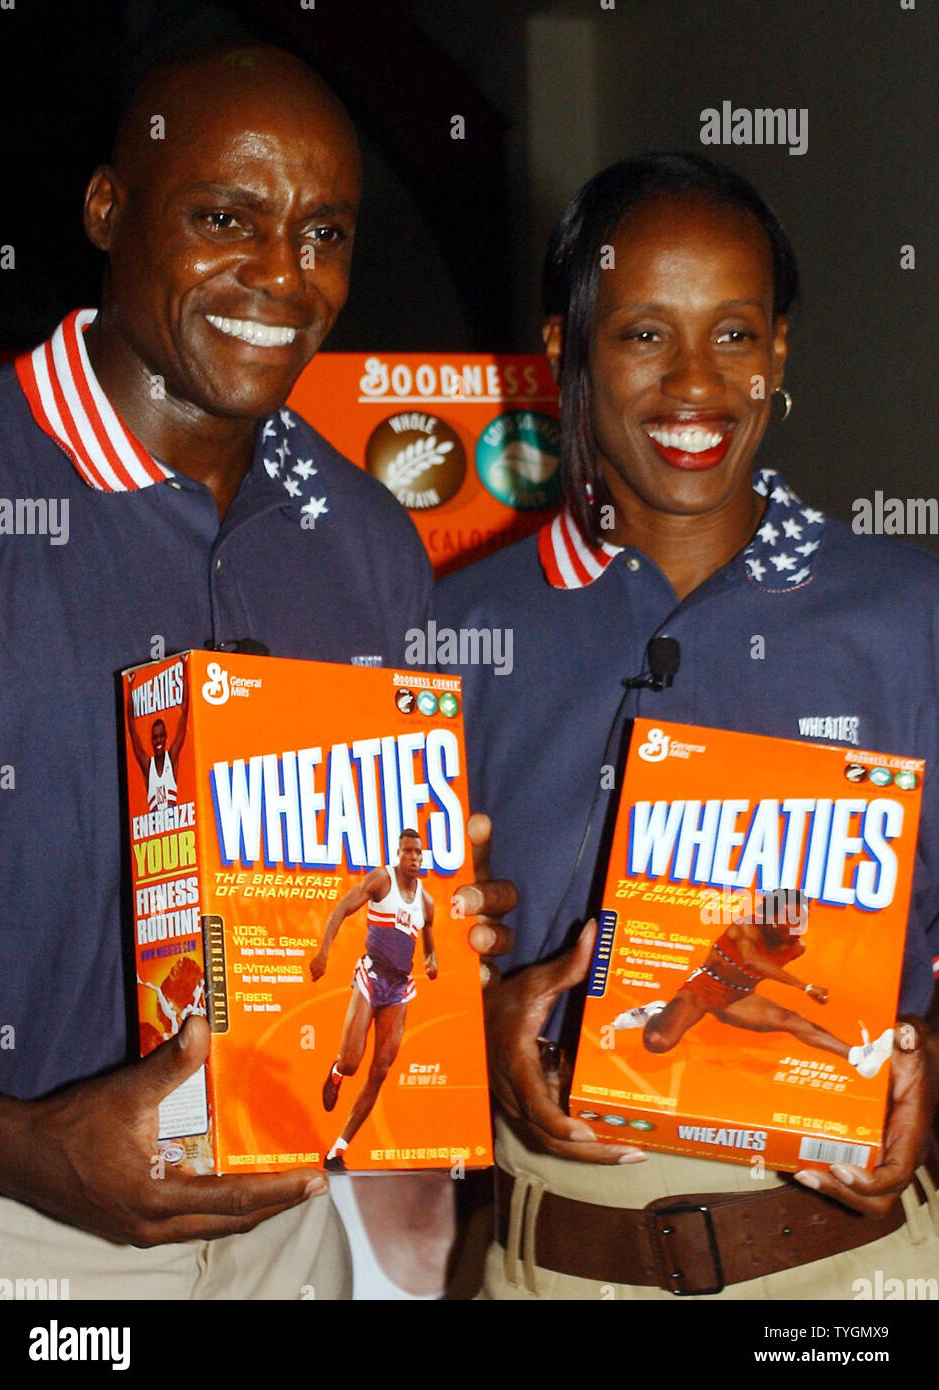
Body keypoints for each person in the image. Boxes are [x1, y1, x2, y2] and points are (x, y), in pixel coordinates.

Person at [0, 41, 509, 1301]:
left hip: (288, 1228)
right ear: (110, 209)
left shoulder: (367, 537)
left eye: (324, 233)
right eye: (227, 218)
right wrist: (23, 1143)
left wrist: (445, 920)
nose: (283, 276)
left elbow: (352, 901)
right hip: (23, 1242)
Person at [437, 153, 939, 1299]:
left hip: (842, 1271)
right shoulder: (452, 630)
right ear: (564, 354)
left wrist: (932, 1066)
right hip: (553, 1263)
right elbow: (364, 951)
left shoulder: (911, 615)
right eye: (644, 334)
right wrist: (478, 1023)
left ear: (780, 354)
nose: (696, 384)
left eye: (736, 334)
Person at [615, 890, 894, 1079]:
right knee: (658, 1042)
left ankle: (858, 1056)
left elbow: (758, 970)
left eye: (804, 916)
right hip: (702, 989)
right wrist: (805, 987)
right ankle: (655, 1013)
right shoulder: (744, 926)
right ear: (771, 916)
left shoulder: (797, 948)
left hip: (739, 998)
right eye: (792, 916)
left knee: (791, 1020)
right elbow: (752, 961)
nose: (799, 923)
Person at [311, 829, 436, 1171]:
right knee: (352, 1063)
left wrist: (431, 958)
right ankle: (337, 1073)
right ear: (399, 853)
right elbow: (341, 909)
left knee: (380, 1070)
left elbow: (428, 933)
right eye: (408, 851)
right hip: (372, 976)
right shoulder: (382, 880)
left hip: (399, 989)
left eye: (418, 853)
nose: (413, 857)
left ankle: (338, 1149)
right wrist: (324, 953)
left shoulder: (426, 901)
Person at [126, 670, 189, 811]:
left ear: (166, 737)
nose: (158, 740)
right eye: (155, 738)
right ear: (151, 741)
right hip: (155, 828)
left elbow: (184, 714)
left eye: (161, 736)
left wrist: (186, 667)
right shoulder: (147, 765)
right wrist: (129, 686)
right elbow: (131, 729)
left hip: (174, 826)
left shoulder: (171, 757)